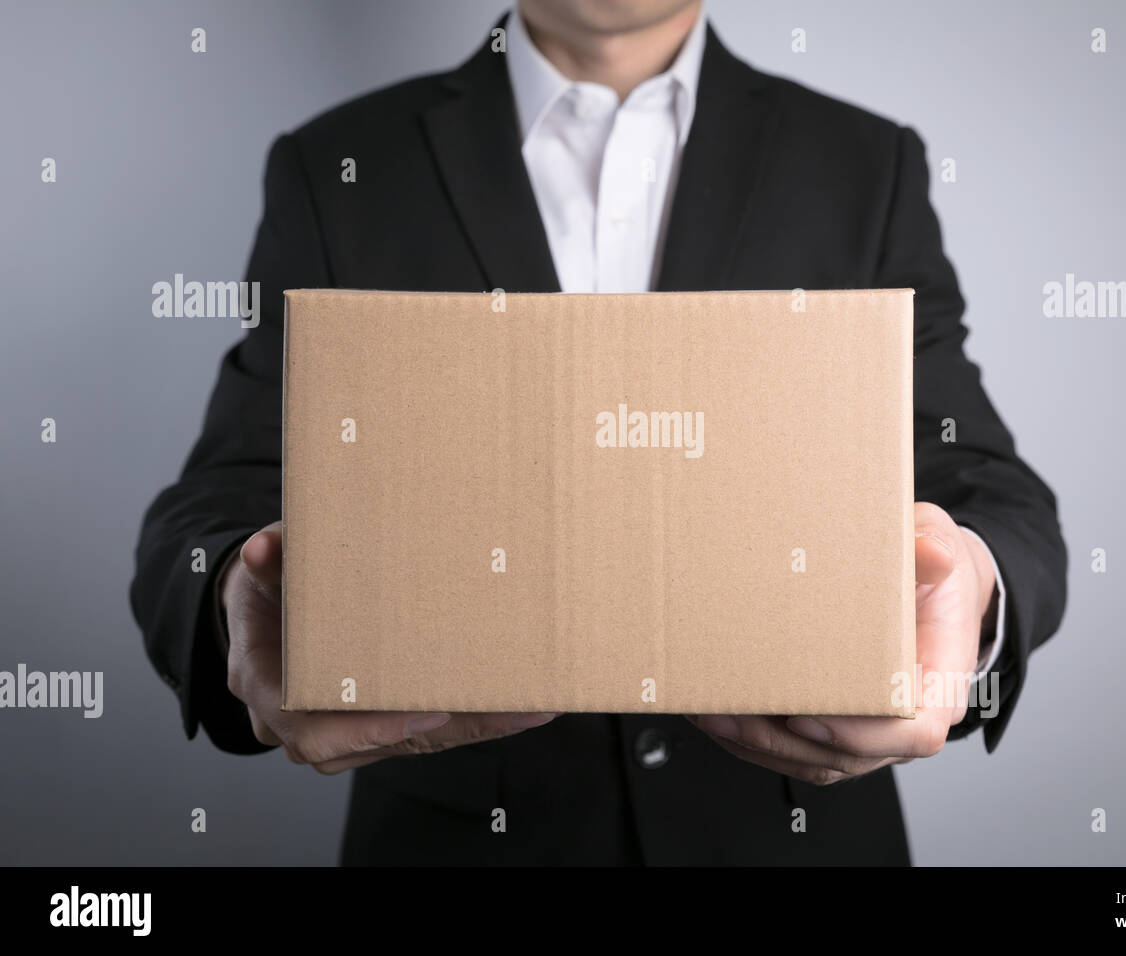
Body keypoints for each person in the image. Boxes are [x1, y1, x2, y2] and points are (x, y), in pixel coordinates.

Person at [130, 0, 1067, 865]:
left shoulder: (863, 161)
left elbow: (985, 486)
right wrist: (232, 607)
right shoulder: (342, 161)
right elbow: (222, 499)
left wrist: (971, 585)